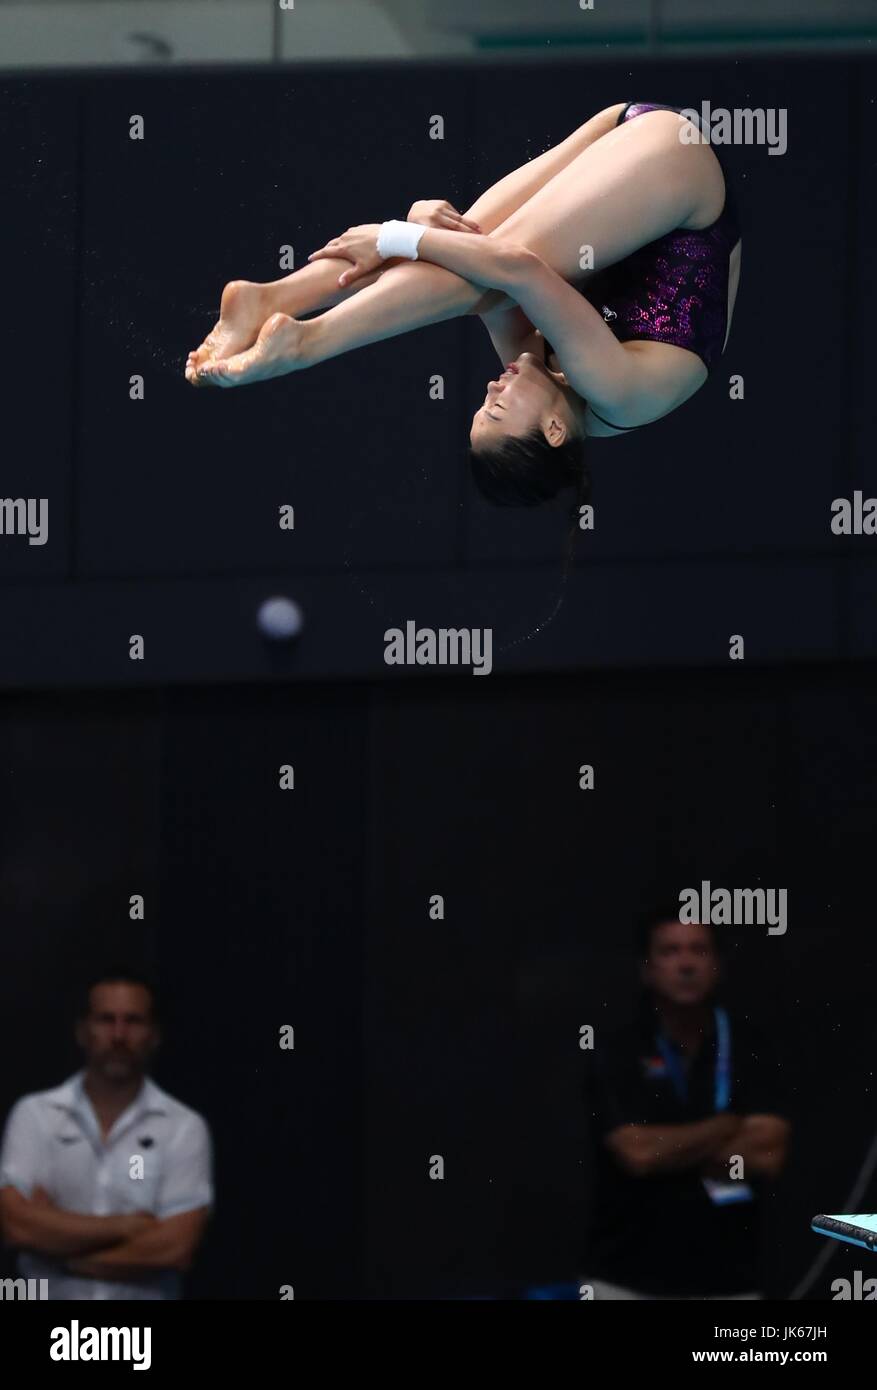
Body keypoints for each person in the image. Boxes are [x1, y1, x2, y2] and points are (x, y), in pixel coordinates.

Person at [186, 101, 741, 511]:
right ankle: (305, 343)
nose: (491, 389)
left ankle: (274, 298)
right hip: (678, 170)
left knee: (470, 259)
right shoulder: (618, 396)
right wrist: (394, 235)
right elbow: (517, 267)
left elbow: (484, 280)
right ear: (552, 429)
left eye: (483, 404)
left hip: (622, 128)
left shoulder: (551, 376)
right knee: (489, 268)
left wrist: (415, 229)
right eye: (497, 410)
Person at [582, 911, 789, 1299]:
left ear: (716, 965)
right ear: (647, 969)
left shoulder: (751, 1048)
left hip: (729, 1284)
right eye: (670, 951)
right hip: (625, 1283)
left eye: (698, 950)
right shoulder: (618, 1052)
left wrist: (670, 1148)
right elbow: (639, 1153)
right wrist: (729, 1124)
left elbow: (767, 1154)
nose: (686, 964)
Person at [0, 971, 212, 1300]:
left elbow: (174, 1249)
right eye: (105, 1019)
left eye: (133, 1021)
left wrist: (60, 1248)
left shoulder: (183, 1127)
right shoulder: (36, 1115)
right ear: (82, 1031)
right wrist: (127, 1226)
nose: (118, 1034)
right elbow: (15, 1225)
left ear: (154, 1034)